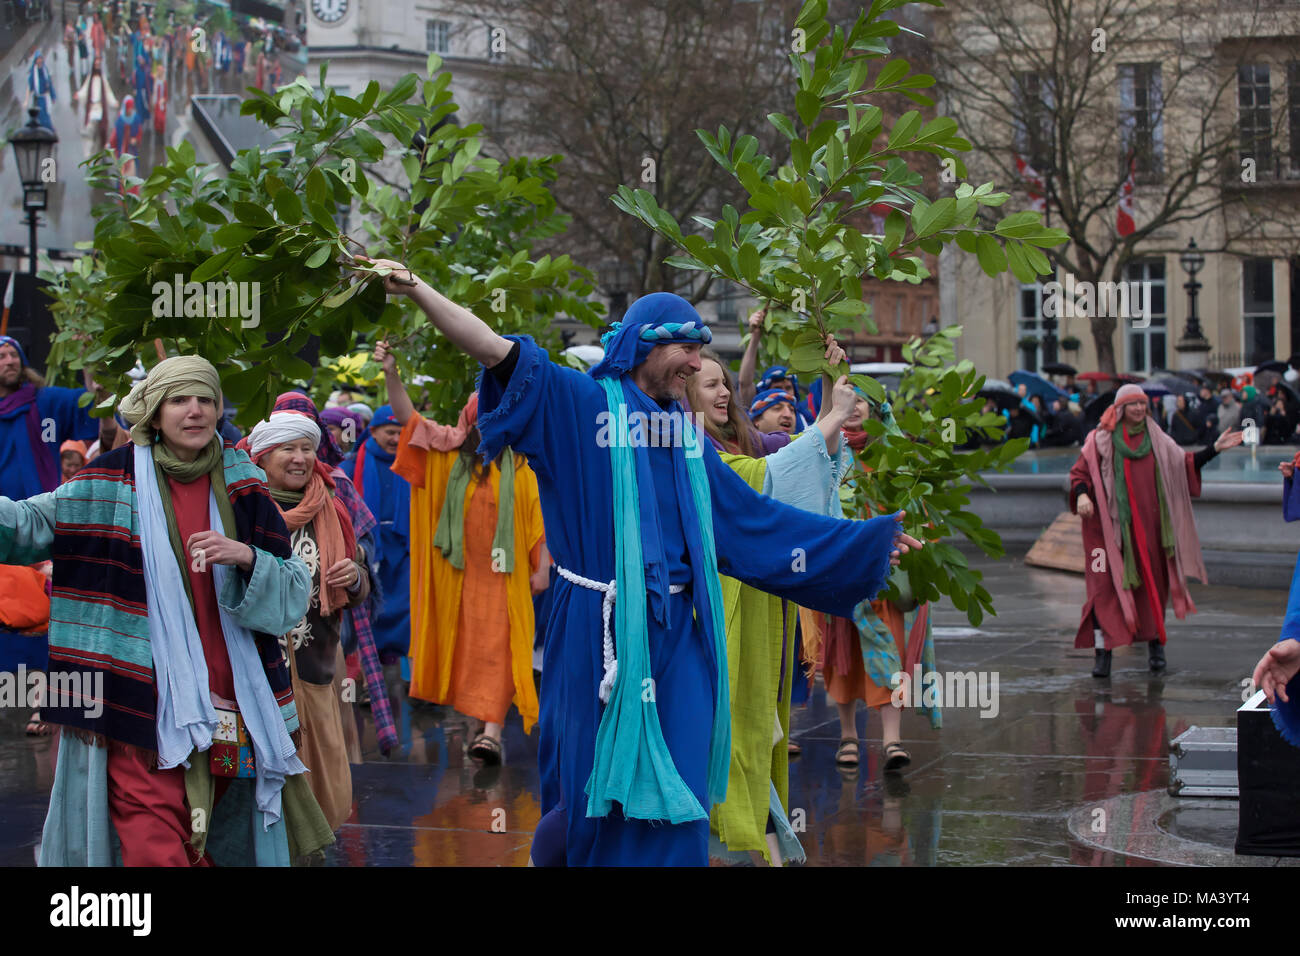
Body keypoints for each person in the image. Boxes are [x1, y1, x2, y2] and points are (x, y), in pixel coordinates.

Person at [355, 256, 922, 867]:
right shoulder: (577, 405)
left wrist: (864, 543)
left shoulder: (685, 439)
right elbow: (495, 349)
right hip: (589, 633)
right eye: (685, 348)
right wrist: (418, 288)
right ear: (642, 348)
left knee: (678, 789)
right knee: (587, 794)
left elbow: (751, 523)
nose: (698, 364)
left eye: (701, 350)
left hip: (677, 636)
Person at [2, 355, 330, 866]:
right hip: (138, 699)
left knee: (221, 840)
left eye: (205, 400)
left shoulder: (243, 482)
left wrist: (243, 555)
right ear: (154, 413)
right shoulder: (107, 480)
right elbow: (27, 526)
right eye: (179, 400)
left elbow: (290, 594)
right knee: (153, 843)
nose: (195, 411)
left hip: (233, 704)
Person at [685, 340, 857, 866]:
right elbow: (772, 479)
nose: (723, 392)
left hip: (761, 604)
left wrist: (831, 376)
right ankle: (740, 841)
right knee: (731, 725)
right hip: (715, 605)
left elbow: (810, 453)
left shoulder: (745, 438)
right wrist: (836, 412)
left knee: (761, 727)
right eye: (709, 384)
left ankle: (757, 839)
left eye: (724, 384)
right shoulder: (691, 447)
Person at [378, 342, 549, 764]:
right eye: (480, 418)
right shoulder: (448, 454)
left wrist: (542, 566)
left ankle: (491, 733)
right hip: (455, 578)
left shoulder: (520, 465)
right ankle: (478, 723)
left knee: (502, 651)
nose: (486, 426)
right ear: (470, 421)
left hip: (504, 581)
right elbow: (408, 420)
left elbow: (538, 519)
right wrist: (390, 373)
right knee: (463, 652)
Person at [247, 412, 371, 831]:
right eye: (288, 448)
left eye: (307, 449)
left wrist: (354, 577)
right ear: (262, 457)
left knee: (324, 779)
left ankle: (313, 846)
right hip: (255, 671)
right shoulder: (241, 509)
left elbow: (362, 581)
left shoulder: (332, 508)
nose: (300, 458)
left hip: (316, 667)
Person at [1071, 384, 1243, 677]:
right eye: (1133, 404)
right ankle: (1103, 655)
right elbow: (1079, 474)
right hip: (1104, 537)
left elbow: (1183, 464)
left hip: (1149, 532)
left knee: (1151, 587)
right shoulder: (1098, 440)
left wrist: (1213, 449)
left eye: (1143, 404)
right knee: (1101, 590)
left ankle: (1156, 649)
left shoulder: (1157, 438)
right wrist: (1082, 495)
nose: (1139, 409)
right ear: (1121, 408)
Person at [810, 391, 940, 774]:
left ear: (877, 411)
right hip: (839, 576)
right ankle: (848, 735)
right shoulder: (825, 453)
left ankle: (892, 740)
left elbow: (918, 510)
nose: (853, 413)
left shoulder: (896, 458)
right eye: (847, 405)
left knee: (892, 652)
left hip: (886, 576)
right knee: (842, 658)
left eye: (861, 404)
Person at [271, 392, 397, 757]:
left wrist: (350, 562)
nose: (297, 456)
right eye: (285, 441)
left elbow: (365, 545)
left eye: (306, 438)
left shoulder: (336, 484)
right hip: (261, 648)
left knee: (326, 744)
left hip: (322, 640)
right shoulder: (245, 490)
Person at [341, 404, 412, 665]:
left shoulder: (412, 462)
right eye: (390, 432)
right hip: (369, 547)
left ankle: (392, 671)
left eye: (400, 433)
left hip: (403, 546)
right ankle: (365, 671)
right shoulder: (351, 464)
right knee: (369, 607)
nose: (395, 439)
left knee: (403, 609)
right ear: (373, 431)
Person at [74, 53, 118, 151]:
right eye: (96, 65)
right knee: (91, 127)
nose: (97, 66)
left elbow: (107, 91)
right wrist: (79, 94)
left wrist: (113, 101)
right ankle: (91, 147)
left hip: (100, 106)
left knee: (102, 128)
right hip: (92, 106)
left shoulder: (103, 79)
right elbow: (85, 89)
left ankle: (103, 145)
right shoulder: (90, 78)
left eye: (99, 65)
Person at [26, 51, 56, 130]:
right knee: (40, 117)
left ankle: (49, 131)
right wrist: (26, 100)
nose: (39, 61)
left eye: (41, 59)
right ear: (35, 61)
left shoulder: (45, 70)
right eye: (38, 59)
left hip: (45, 98)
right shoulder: (33, 72)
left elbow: (49, 84)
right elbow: (30, 87)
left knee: (47, 116)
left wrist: (53, 96)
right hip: (38, 99)